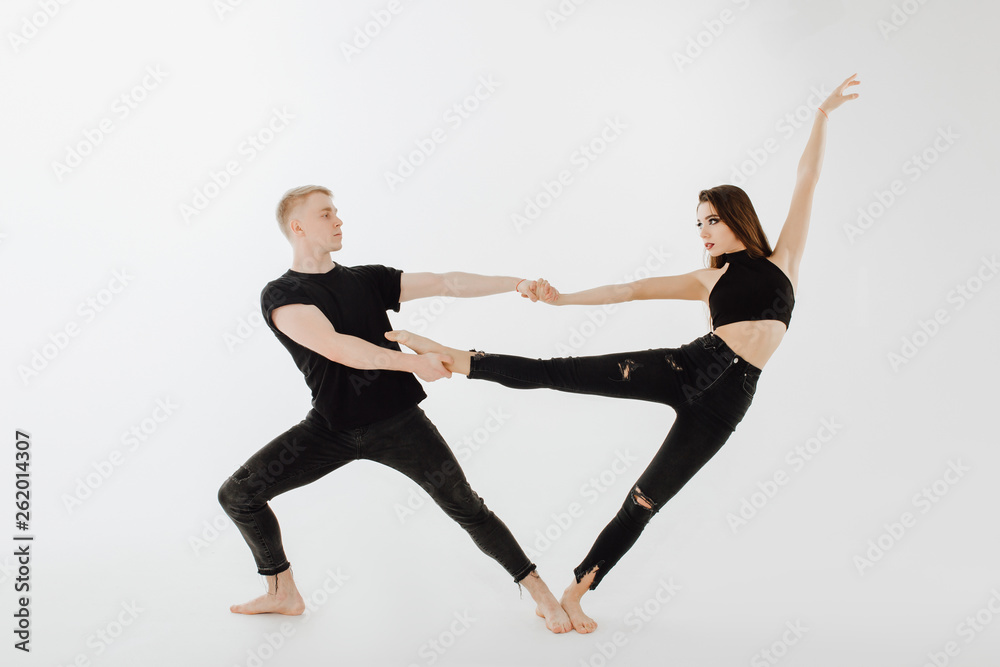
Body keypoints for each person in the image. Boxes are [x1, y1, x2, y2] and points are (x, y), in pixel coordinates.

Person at [387, 74, 861, 633]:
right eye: (699, 224)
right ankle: (457, 358)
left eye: (712, 219)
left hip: (728, 404)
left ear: (738, 218)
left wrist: (821, 117)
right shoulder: (707, 281)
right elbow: (630, 290)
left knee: (645, 500)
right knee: (555, 374)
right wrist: (563, 300)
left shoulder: (785, 260)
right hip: (684, 368)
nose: (704, 232)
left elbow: (807, 179)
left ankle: (578, 589)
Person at [217, 185, 575, 633]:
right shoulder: (282, 294)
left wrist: (516, 283)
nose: (339, 221)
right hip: (330, 429)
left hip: (400, 424)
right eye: (327, 214)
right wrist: (414, 363)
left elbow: (446, 282)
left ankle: (540, 593)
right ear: (298, 226)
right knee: (238, 495)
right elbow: (338, 348)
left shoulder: (367, 279)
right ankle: (282, 592)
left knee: (467, 507)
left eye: (337, 213)